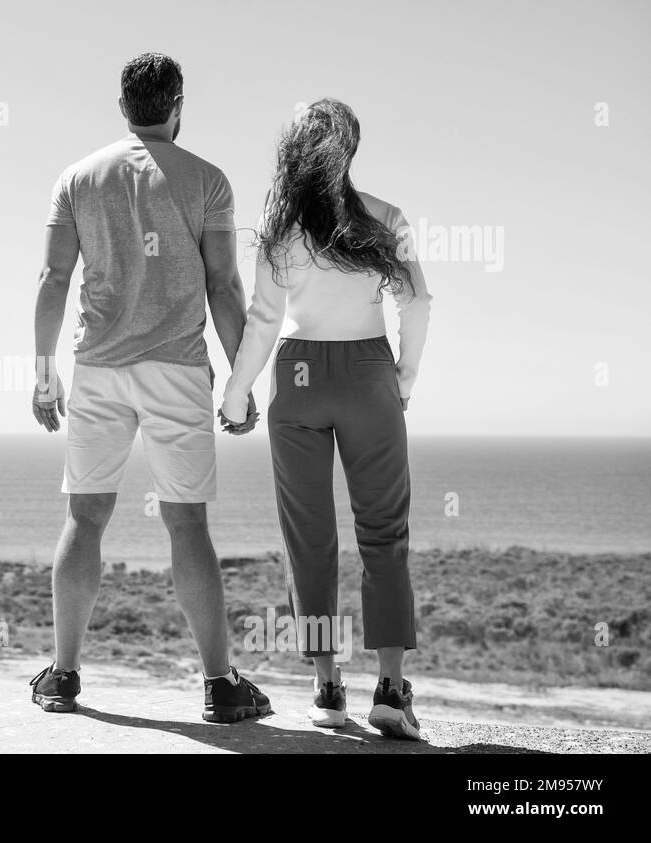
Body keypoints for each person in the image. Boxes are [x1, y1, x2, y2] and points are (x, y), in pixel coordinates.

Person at [28, 52, 269, 723]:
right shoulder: (209, 182)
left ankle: (64, 675)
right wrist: (242, 383)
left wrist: (45, 374)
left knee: (85, 516)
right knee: (187, 521)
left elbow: (52, 281)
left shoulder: (76, 177)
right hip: (178, 368)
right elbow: (223, 286)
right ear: (178, 105)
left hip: (98, 368)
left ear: (123, 107)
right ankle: (221, 685)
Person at [219, 99, 433, 739]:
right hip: (370, 376)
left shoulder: (277, 225)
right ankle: (391, 692)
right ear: (354, 149)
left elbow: (261, 321)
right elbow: (418, 302)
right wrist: (403, 379)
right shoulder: (385, 217)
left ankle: (326, 689)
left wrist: (235, 397)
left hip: (299, 379)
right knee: (383, 535)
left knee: (309, 540)